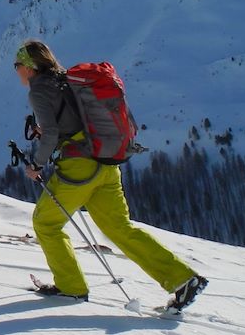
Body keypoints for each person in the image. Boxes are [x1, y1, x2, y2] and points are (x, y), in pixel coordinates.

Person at [14, 39, 207, 311]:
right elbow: (72, 121)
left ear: (30, 66)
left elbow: (54, 133)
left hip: (79, 168)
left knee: (46, 223)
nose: (17, 70)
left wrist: (35, 164)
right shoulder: (67, 80)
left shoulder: (39, 90)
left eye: (18, 65)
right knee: (120, 228)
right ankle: (183, 279)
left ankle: (71, 288)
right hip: (105, 162)